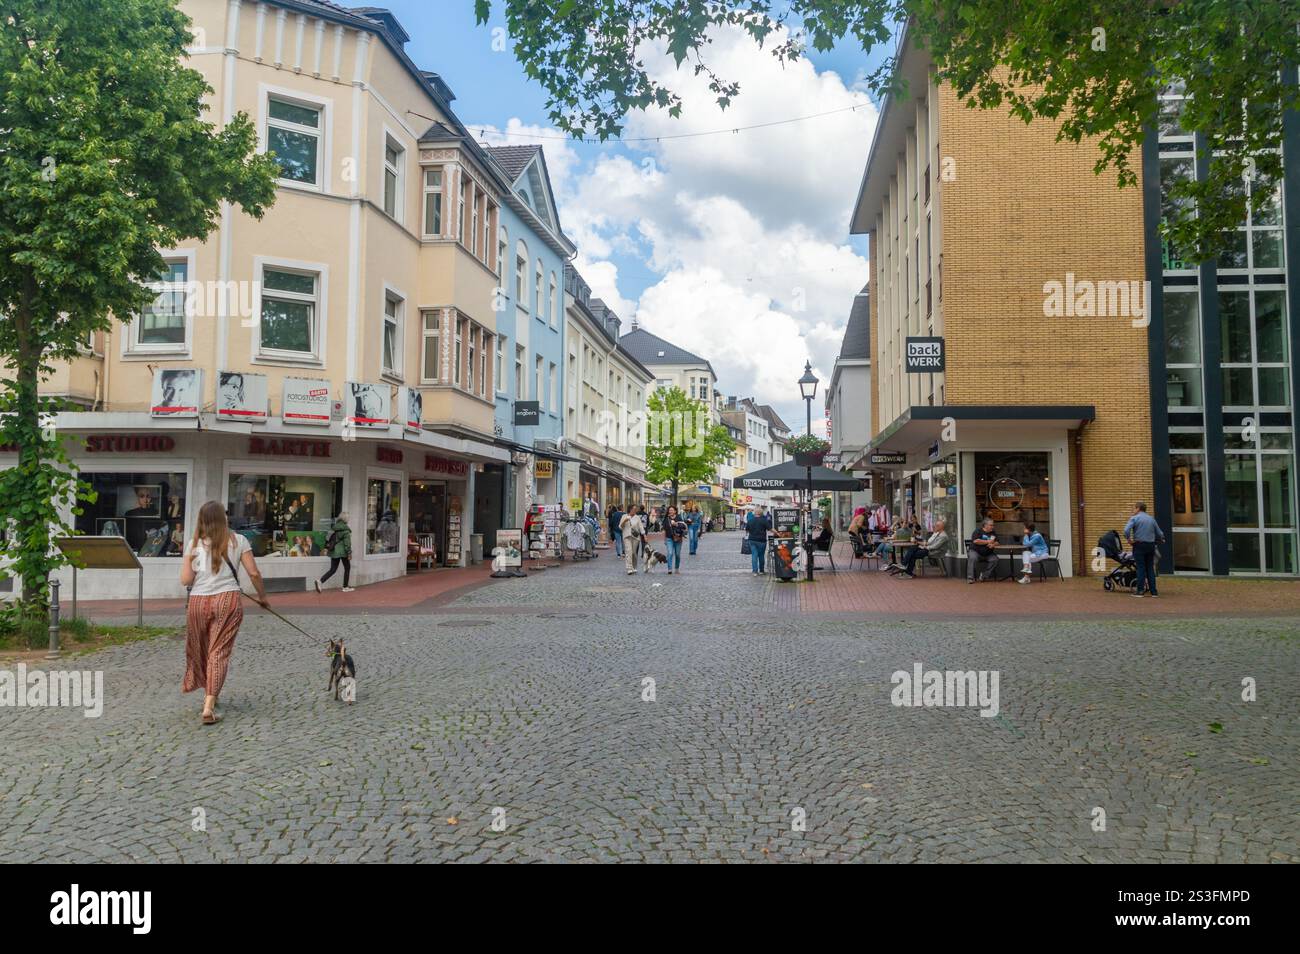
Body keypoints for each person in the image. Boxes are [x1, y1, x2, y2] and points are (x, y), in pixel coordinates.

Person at [180, 500, 269, 725]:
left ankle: (210, 697)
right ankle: (209, 705)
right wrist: (262, 597)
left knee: (202, 649)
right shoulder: (238, 540)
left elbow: (186, 580)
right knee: (218, 651)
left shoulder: (194, 544)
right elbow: (254, 573)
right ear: (223, 518)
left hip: (198, 601)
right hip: (227, 600)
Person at [1124, 501, 1166, 597]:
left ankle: (1140, 591)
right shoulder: (1151, 519)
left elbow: (1126, 530)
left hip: (1139, 545)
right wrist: (1161, 539)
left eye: (1134, 508)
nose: (1133, 510)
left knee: (1141, 568)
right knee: (1150, 568)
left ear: (1138, 508)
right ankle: (1154, 592)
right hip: (1151, 546)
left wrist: (1129, 539)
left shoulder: (1134, 518)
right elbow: (1160, 533)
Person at [315, 513, 354, 592]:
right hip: (343, 552)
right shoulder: (346, 529)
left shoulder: (333, 527)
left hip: (333, 551)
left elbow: (327, 538)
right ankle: (345, 587)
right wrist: (349, 553)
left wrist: (326, 548)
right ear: (346, 519)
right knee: (347, 568)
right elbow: (347, 543)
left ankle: (320, 581)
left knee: (333, 569)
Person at [967, 518, 1000, 583]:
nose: (992, 527)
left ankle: (984, 575)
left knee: (995, 559)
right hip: (976, 552)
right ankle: (970, 578)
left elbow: (998, 542)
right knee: (972, 558)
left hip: (988, 554)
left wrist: (993, 544)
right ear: (985, 525)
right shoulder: (978, 531)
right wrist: (988, 542)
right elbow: (976, 541)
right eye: (991, 525)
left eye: (993, 525)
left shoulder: (993, 532)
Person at [746, 506, 772, 575]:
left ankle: (755, 571)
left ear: (755, 512)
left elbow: (747, 530)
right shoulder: (764, 520)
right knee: (761, 555)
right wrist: (777, 533)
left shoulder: (750, 520)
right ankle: (761, 571)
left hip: (752, 540)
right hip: (762, 540)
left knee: (754, 555)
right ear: (761, 512)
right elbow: (770, 529)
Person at [662, 505, 687, 574]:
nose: (670, 511)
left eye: (672, 510)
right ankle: (669, 569)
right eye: (669, 510)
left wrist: (676, 524)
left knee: (677, 554)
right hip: (669, 538)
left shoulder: (679, 518)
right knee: (670, 553)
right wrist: (664, 539)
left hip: (678, 539)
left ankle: (676, 568)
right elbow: (664, 530)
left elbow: (684, 527)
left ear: (675, 511)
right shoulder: (666, 519)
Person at [620, 505, 643, 574]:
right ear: (630, 509)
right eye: (633, 509)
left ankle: (634, 566)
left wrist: (644, 535)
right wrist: (625, 520)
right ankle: (629, 568)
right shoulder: (624, 516)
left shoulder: (637, 517)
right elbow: (620, 526)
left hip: (635, 537)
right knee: (628, 551)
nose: (635, 510)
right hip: (627, 536)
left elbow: (641, 527)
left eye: (636, 509)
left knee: (633, 553)